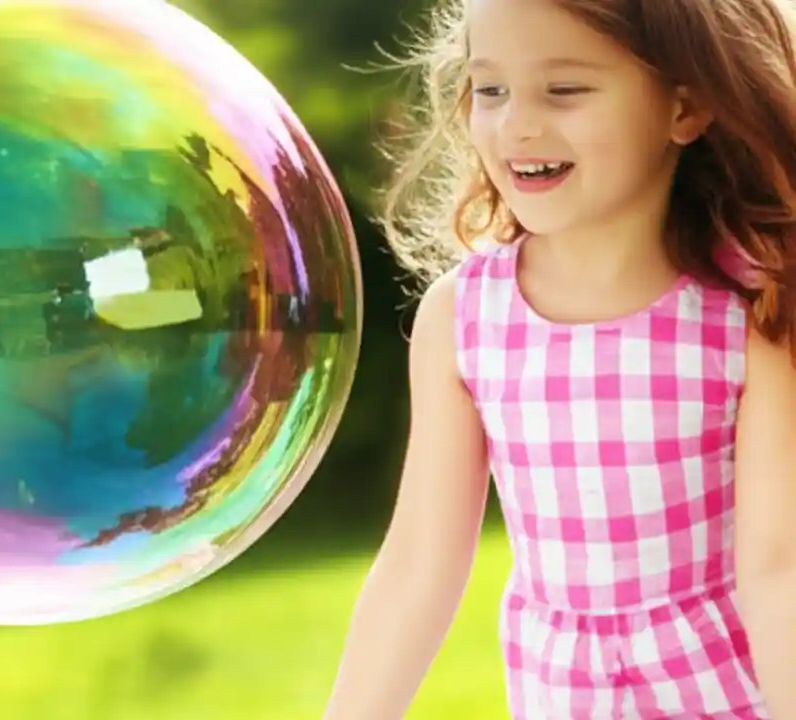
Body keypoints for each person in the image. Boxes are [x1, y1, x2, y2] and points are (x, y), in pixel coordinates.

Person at [323, 0, 796, 718]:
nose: (517, 124)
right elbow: (421, 563)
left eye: (565, 89)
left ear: (685, 109)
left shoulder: (747, 313)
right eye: (490, 89)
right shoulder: (463, 317)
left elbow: (778, 567)